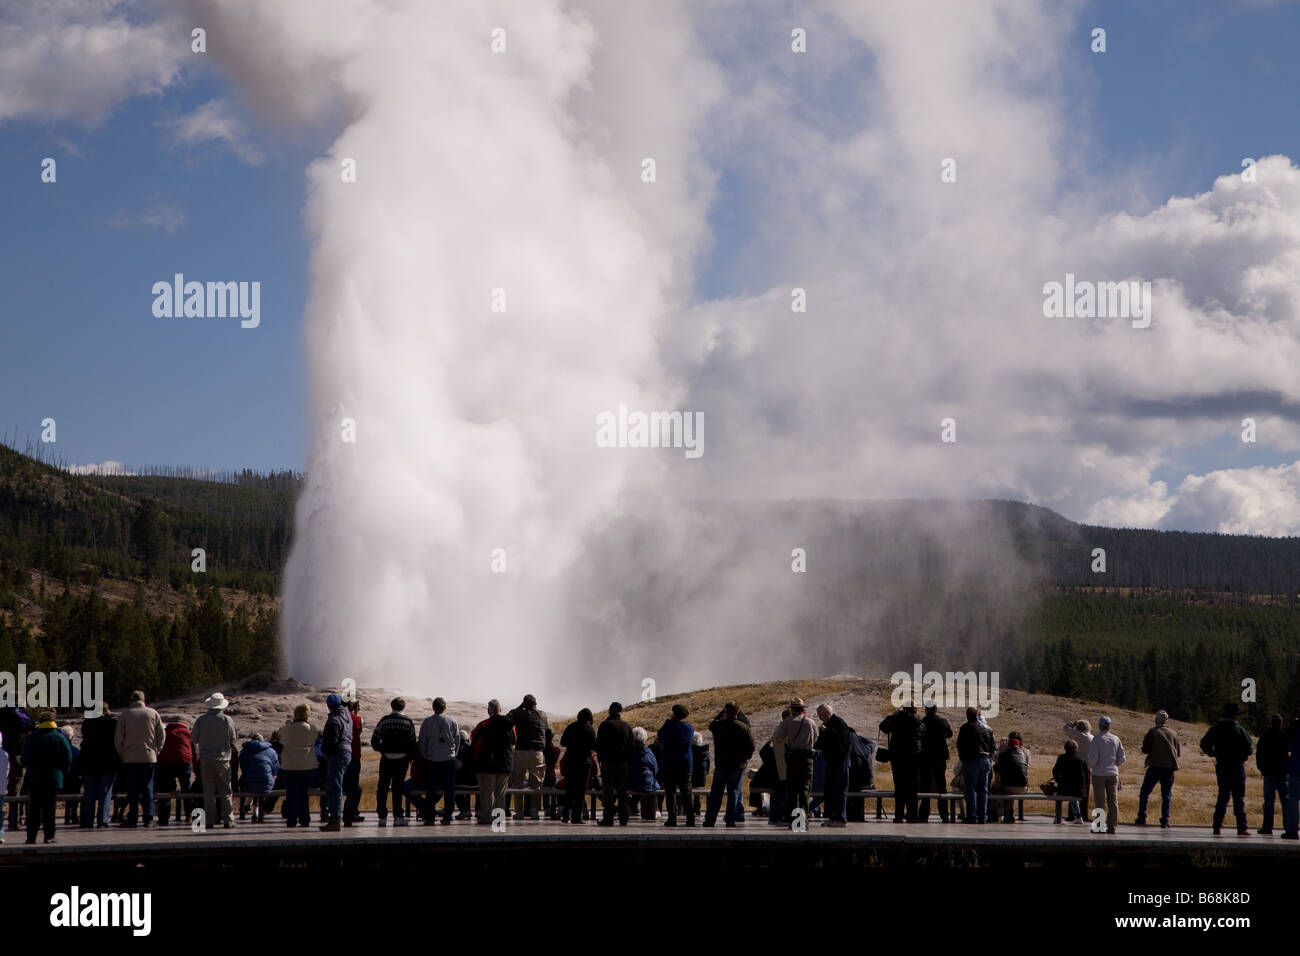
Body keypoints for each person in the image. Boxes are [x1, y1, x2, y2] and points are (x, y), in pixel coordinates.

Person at [114, 689, 165, 828]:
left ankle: (133, 818)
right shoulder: (153, 713)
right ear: (143, 700)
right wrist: (157, 750)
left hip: (130, 758)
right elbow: (162, 734)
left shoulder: (125, 715)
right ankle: (148, 818)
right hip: (149, 757)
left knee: (132, 790)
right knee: (147, 788)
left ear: (131, 700)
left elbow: (118, 739)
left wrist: (122, 754)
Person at [1200, 702, 1253, 836]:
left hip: (1222, 766)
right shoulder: (1239, 729)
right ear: (1235, 715)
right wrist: (1243, 756)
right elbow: (1249, 748)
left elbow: (1204, 744)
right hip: (1236, 766)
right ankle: (1241, 827)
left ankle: (1217, 826)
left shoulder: (1216, 728)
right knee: (1238, 798)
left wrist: (1213, 754)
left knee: (1222, 796)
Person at [21, 710, 72, 844]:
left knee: (34, 809)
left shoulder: (33, 737)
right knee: (50, 809)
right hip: (53, 779)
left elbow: (24, 757)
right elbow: (68, 758)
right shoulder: (59, 737)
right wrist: (62, 773)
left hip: (35, 778)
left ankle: (31, 836)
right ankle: (49, 836)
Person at [192, 692, 238, 830]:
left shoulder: (201, 720)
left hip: (205, 759)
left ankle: (210, 820)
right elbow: (233, 739)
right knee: (225, 791)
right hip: (222, 759)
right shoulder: (227, 720)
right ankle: (228, 820)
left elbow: (193, 738)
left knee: (209, 791)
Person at [371, 697, 417, 827]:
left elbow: (374, 739)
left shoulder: (385, 720)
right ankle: (398, 816)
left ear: (391, 706)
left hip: (386, 759)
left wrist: (383, 750)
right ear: (403, 707)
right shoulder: (408, 721)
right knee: (398, 787)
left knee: (383, 787)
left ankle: (382, 817)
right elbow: (412, 742)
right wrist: (410, 756)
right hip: (402, 759)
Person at [707, 702, 755, 828]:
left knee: (716, 792)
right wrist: (746, 758)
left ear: (725, 711)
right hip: (738, 764)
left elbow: (711, 725)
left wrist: (721, 713)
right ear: (738, 712)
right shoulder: (744, 727)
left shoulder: (718, 726)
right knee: (734, 792)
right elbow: (751, 746)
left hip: (721, 763)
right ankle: (730, 820)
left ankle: (710, 819)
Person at [471, 699, 516, 825]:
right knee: (500, 793)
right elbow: (513, 742)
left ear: (489, 710)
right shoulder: (510, 726)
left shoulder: (484, 725)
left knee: (487, 792)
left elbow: (475, 743)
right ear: (500, 710)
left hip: (487, 764)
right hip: (505, 765)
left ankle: (487, 818)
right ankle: (499, 820)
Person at [879, 703, 925, 823]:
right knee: (913, 788)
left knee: (899, 787)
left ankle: (898, 815)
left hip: (898, 758)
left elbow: (883, 727)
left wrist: (894, 715)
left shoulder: (897, 719)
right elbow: (923, 735)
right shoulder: (919, 721)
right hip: (914, 758)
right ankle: (912, 815)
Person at [417, 697, 459, 825]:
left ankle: (429, 817)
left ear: (433, 708)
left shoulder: (427, 722)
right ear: (445, 707)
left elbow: (422, 741)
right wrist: (454, 754)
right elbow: (457, 741)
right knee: (449, 789)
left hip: (433, 760)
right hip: (448, 759)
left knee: (431, 789)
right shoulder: (452, 721)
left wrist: (426, 755)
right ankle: (447, 816)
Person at [1135, 710, 1180, 828]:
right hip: (1169, 768)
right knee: (1166, 795)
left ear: (1156, 720)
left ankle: (1142, 817)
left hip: (1155, 766)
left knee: (1144, 793)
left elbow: (1145, 750)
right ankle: (1165, 820)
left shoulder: (1152, 732)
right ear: (1167, 720)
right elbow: (1178, 752)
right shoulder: (1174, 733)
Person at [78, 705, 119, 828]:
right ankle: (102, 820)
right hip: (107, 763)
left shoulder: (87, 724)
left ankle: (87, 820)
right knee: (105, 793)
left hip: (89, 763)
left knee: (89, 794)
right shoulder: (111, 724)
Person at [278, 704, 319, 828]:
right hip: (306, 765)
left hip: (289, 766)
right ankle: (305, 819)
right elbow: (315, 740)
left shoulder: (287, 728)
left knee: (291, 794)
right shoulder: (312, 728)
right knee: (303, 794)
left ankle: (291, 820)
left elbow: (280, 738)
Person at [507, 694, 548, 821]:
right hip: (537, 753)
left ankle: (519, 812)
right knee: (536, 784)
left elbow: (509, 716)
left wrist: (520, 707)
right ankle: (534, 811)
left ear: (524, 704)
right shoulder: (543, 715)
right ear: (536, 704)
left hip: (521, 751)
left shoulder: (519, 714)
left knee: (517, 782)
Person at [657, 704, 696, 827]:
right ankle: (691, 818)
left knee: (670, 792)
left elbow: (660, 734)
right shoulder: (689, 728)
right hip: (685, 765)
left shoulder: (669, 726)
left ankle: (672, 818)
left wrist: (668, 722)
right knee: (687, 792)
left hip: (670, 764)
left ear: (674, 714)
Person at [596, 702, 634, 826]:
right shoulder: (626, 726)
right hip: (622, 764)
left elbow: (599, 745)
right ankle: (624, 818)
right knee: (622, 792)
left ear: (610, 710)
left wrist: (600, 760)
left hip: (608, 763)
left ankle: (608, 818)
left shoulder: (605, 725)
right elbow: (631, 746)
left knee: (608, 793)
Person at [318, 693, 352, 831]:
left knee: (334, 787)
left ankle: (335, 819)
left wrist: (325, 752)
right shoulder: (347, 714)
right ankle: (334, 817)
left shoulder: (334, 719)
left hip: (337, 753)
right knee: (336, 785)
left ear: (328, 706)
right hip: (347, 751)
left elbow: (331, 741)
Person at [956, 707, 995, 824]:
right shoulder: (988, 728)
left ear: (967, 715)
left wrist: (963, 759)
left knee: (971, 789)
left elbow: (960, 745)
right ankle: (983, 816)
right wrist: (989, 757)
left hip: (971, 761)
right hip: (986, 760)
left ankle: (972, 816)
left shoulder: (965, 728)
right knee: (983, 789)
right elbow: (993, 746)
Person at [1087, 715, 1125, 834]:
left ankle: (1099, 826)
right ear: (1109, 726)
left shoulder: (1097, 739)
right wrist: (1115, 765)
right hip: (1113, 773)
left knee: (1100, 801)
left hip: (1099, 773)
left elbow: (1093, 757)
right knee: (1113, 800)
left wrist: (1091, 766)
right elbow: (1122, 757)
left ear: (1099, 726)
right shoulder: (1116, 738)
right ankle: (1112, 825)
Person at [559, 709, 597, 824]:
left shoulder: (571, 727)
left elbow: (563, 742)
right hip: (584, 763)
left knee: (570, 789)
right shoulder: (590, 729)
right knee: (581, 790)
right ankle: (577, 817)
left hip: (571, 761)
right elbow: (594, 746)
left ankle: (566, 815)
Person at [918, 704, 953, 823]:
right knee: (941, 786)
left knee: (925, 786)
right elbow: (949, 734)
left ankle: (923, 814)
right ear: (936, 710)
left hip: (926, 757)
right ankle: (944, 814)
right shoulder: (942, 721)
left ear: (926, 710)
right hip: (939, 758)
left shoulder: (922, 721)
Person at [156, 716, 193, 826]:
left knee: (165, 790)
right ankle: (189, 815)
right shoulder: (187, 733)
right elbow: (194, 750)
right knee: (186, 788)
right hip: (184, 761)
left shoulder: (166, 732)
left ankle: (163, 818)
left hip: (166, 762)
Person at [1256, 713, 1289, 836]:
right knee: (1285, 802)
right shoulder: (1284, 736)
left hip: (1269, 773)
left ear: (1271, 723)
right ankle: (1289, 827)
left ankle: (1267, 827)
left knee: (1269, 802)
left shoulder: (1265, 736)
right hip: (1283, 773)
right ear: (1281, 724)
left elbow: (1259, 754)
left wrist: (1261, 768)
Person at [0, 707, 31, 833]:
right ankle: (14, 820)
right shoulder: (19, 715)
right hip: (16, 754)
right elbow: (30, 725)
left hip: (3, 751)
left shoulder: (1, 714)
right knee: (16, 788)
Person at [238, 733, 279, 823]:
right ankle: (255, 811)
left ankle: (247, 804)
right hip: (265, 782)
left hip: (248, 782)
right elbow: (275, 768)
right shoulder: (271, 751)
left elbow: (243, 767)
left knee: (252, 781)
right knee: (262, 783)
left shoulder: (244, 751)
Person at [992, 732, 1029, 823]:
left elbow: (996, 767)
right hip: (1023, 787)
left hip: (1008, 787)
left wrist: (1001, 748)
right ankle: (1010, 813)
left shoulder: (1004, 754)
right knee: (1011, 784)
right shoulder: (1025, 753)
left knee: (996, 788)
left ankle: (994, 814)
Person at [627, 726, 660, 820]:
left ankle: (632, 807)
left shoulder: (628, 751)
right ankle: (655, 809)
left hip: (629, 783)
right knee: (653, 783)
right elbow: (655, 769)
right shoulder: (648, 752)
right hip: (646, 784)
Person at [1052, 739, 1088, 824]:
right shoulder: (1082, 760)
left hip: (1064, 788)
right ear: (1076, 748)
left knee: (1059, 796)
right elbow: (1086, 776)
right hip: (1078, 790)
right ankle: (1078, 816)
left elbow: (1055, 772)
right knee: (1073, 796)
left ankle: (1058, 816)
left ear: (1065, 748)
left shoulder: (1061, 758)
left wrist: (1059, 781)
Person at [1064, 719, 1094, 819]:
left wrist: (1072, 723)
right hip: (1087, 768)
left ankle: (1072, 814)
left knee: (1073, 792)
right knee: (1085, 792)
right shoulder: (1092, 738)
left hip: (1075, 767)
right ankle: (1084, 815)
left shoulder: (1077, 735)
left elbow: (1065, 728)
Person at [342, 699, 364, 826]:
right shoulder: (357, 719)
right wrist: (355, 714)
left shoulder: (339, 718)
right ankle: (350, 815)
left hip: (340, 757)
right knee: (353, 788)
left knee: (341, 786)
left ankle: (332, 814)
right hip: (354, 756)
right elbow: (358, 731)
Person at [846, 729, 876, 823]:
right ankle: (858, 817)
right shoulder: (865, 749)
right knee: (858, 799)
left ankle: (851, 816)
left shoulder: (851, 747)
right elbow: (871, 743)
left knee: (850, 798)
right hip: (862, 779)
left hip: (852, 777)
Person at [1282, 708, 1300, 841]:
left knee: (1293, 800)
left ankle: (1292, 830)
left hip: (1296, 768)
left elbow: (1287, 745)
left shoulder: (1296, 726)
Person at [59, 725, 81, 826]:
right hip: (73, 782)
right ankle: (73, 814)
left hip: (60, 781)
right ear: (72, 737)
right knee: (76, 784)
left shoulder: (57, 750)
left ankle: (68, 815)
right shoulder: (75, 751)